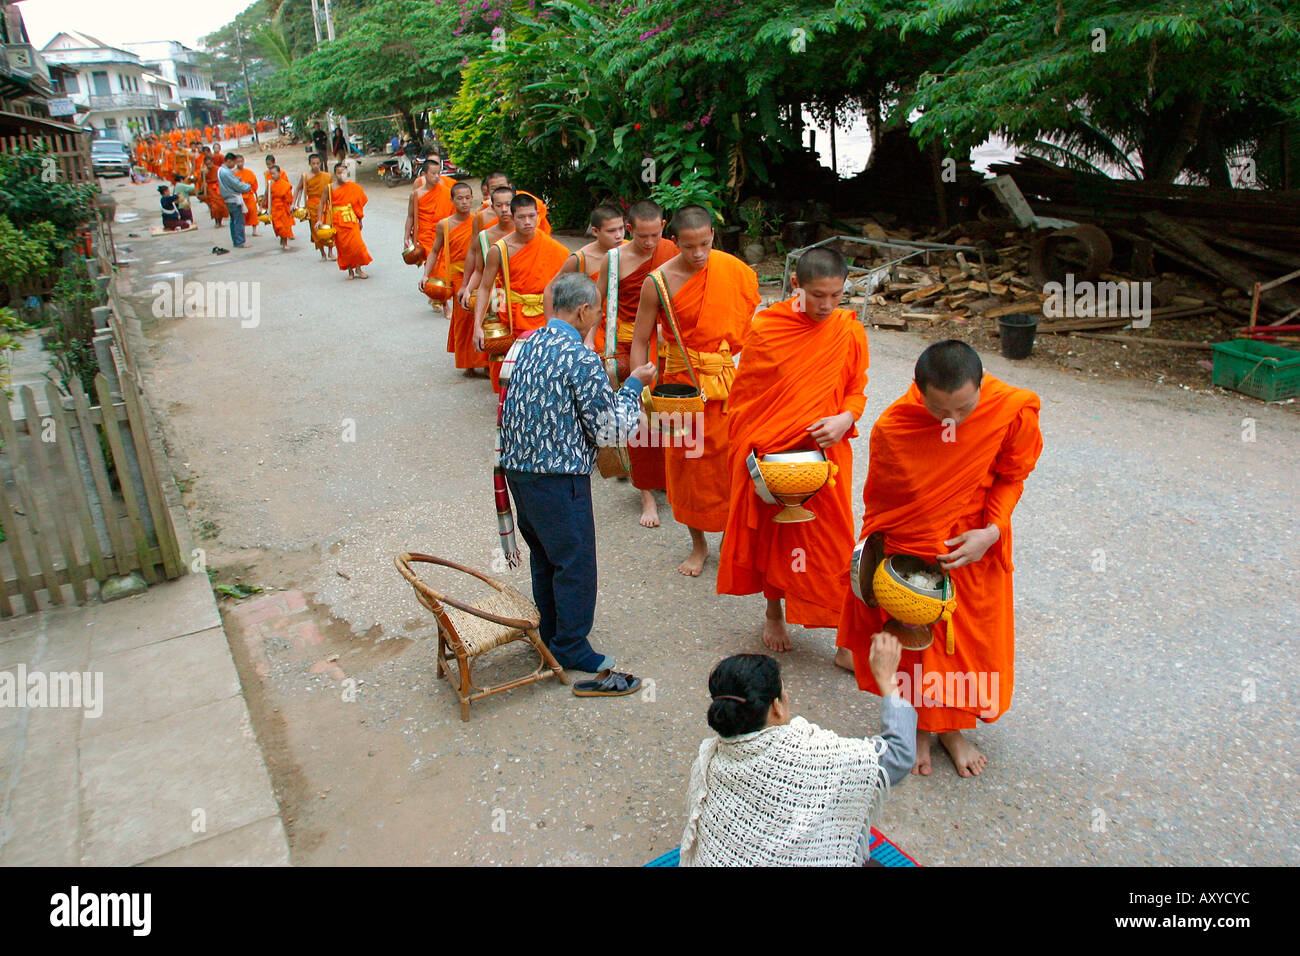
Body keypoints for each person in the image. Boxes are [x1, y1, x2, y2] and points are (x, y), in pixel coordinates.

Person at [835, 341, 1043, 778]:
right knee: (915, 637)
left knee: (968, 642)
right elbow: (884, 508)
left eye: (964, 409)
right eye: (940, 411)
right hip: (913, 554)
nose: (952, 422)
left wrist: (992, 531)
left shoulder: (1010, 410)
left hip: (975, 542)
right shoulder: (897, 426)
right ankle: (919, 728)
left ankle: (952, 726)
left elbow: (1012, 477)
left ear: (981, 386)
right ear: (918, 392)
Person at [498, 272, 657, 688]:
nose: (600, 316)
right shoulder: (579, 357)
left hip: (519, 470)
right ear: (584, 310)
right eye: (599, 310)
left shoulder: (527, 342)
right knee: (574, 561)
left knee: (546, 556)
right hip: (558, 476)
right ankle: (571, 645)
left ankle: (551, 632)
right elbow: (610, 431)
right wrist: (635, 385)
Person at [717, 248, 869, 653]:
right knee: (776, 536)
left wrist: (844, 419)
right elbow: (746, 400)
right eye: (818, 295)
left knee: (834, 542)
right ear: (797, 285)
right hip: (776, 456)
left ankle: (843, 636)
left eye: (836, 296)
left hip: (828, 456)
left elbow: (857, 390)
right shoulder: (769, 329)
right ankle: (773, 612)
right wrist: (761, 449)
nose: (827, 305)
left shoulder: (848, 331)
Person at [679, 638, 916, 866]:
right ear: (777, 707)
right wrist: (888, 681)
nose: (787, 697)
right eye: (784, 692)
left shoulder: (708, 760)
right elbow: (899, 755)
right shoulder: (812, 756)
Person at [630, 205, 759, 576]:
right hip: (681, 389)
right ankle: (699, 545)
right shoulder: (658, 281)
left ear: (713, 237)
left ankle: (733, 544)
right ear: (675, 242)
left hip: (727, 384)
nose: (699, 253)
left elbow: (750, 331)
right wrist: (639, 392)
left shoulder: (732, 271)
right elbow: (640, 340)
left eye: (705, 244)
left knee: (733, 467)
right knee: (689, 470)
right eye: (689, 247)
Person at [609, 200, 677, 528]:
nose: (650, 243)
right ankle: (646, 494)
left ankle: (673, 480)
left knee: (677, 416)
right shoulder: (616, 259)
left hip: (671, 344)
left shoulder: (675, 251)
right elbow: (603, 307)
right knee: (640, 418)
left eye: (655, 234)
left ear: (663, 226)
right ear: (629, 228)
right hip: (632, 343)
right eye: (642, 236)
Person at [473, 193, 570, 393]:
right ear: (512, 216)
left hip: (545, 314)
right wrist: (477, 325)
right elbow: (485, 287)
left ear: (538, 216)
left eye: (532, 216)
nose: (528, 222)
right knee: (515, 373)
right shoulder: (499, 250)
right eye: (521, 217)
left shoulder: (552, 247)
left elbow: (569, 281)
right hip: (512, 316)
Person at [543, 205, 624, 351]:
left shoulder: (630, 251)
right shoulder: (580, 259)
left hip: (626, 325)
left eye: (621, 228)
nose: (618, 235)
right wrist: (552, 328)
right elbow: (550, 289)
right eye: (611, 231)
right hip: (593, 325)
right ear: (595, 231)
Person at [424, 182, 485, 371]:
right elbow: (435, 251)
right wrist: (426, 275)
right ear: (452, 200)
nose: (465, 202)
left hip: (480, 274)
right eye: (460, 198)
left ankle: (485, 363)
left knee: (483, 317)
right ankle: (468, 363)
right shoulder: (445, 225)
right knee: (464, 318)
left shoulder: (479, 220)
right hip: (459, 276)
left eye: (468, 197)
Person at [459, 185, 515, 374]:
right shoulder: (485, 236)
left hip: (522, 298)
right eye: (499, 205)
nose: (504, 209)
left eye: (508, 204)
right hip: (495, 298)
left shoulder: (527, 232)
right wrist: (467, 288)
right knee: (499, 345)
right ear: (492, 206)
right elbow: (479, 270)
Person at [406, 156, 457, 272]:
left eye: (438, 173)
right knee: (431, 265)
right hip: (425, 236)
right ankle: (430, 285)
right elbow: (410, 216)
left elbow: (454, 215)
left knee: (444, 265)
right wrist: (406, 236)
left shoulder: (447, 193)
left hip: (444, 234)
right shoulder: (416, 195)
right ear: (424, 174)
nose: (437, 177)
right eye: (433, 173)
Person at [324, 162, 371, 279]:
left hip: (351, 219)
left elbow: (357, 204)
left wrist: (360, 220)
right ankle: (350, 271)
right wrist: (320, 221)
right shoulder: (330, 188)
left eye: (344, 173)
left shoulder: (353, 187)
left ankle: (359, 269)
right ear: (335, 174)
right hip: (337, 221)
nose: (341, 175)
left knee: (357, 246)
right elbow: (322, 204)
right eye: (339, 173)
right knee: (344, 247)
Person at [294, 153, 335, 261]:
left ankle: (330, 252)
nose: (316, 166)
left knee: (328, 227)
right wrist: (293, 204)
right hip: (312, 205)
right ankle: (323, 254)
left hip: (325, 204)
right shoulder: (305, 176)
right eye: (313, 163)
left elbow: (332, 191)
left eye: (317, 163)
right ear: (309, 164)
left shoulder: (327, 176)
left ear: (320, 163)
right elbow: (298, 189)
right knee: (316, 230)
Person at [217, 152, 250, 248]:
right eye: (233, 163)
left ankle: (236, 241)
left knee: (234, 221)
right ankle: (240, 241)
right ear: (229, 161)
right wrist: (247, 187)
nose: (234, 165)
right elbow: (236, 185)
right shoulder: (225, 172)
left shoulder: (221, 170)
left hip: (228, 199)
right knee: (238, 221)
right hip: (233, 199)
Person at [268, 164, 295, 250]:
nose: (273, 176)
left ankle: (285, 243)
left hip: (283, 208)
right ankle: (282, 239)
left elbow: (289, 198)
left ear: (279, 173)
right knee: (277, 227)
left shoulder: (285, 185)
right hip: (275, 208)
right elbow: (268, 197)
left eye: (274, 174)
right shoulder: (271, 185)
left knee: (284, 227)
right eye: (271, 174)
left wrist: (291, 206)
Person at [234, 156, 261, 237]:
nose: (240, 163)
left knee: (253, 212)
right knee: (242, 215)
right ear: (235, 162)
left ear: (244, 161)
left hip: (249, 196)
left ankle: (254, 231)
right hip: (240, 197)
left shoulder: (249, 172)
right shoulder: (233, 173)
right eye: (238, 162)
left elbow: (254, 185)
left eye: (241, 161)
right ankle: (243, 231)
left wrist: (256, 196)